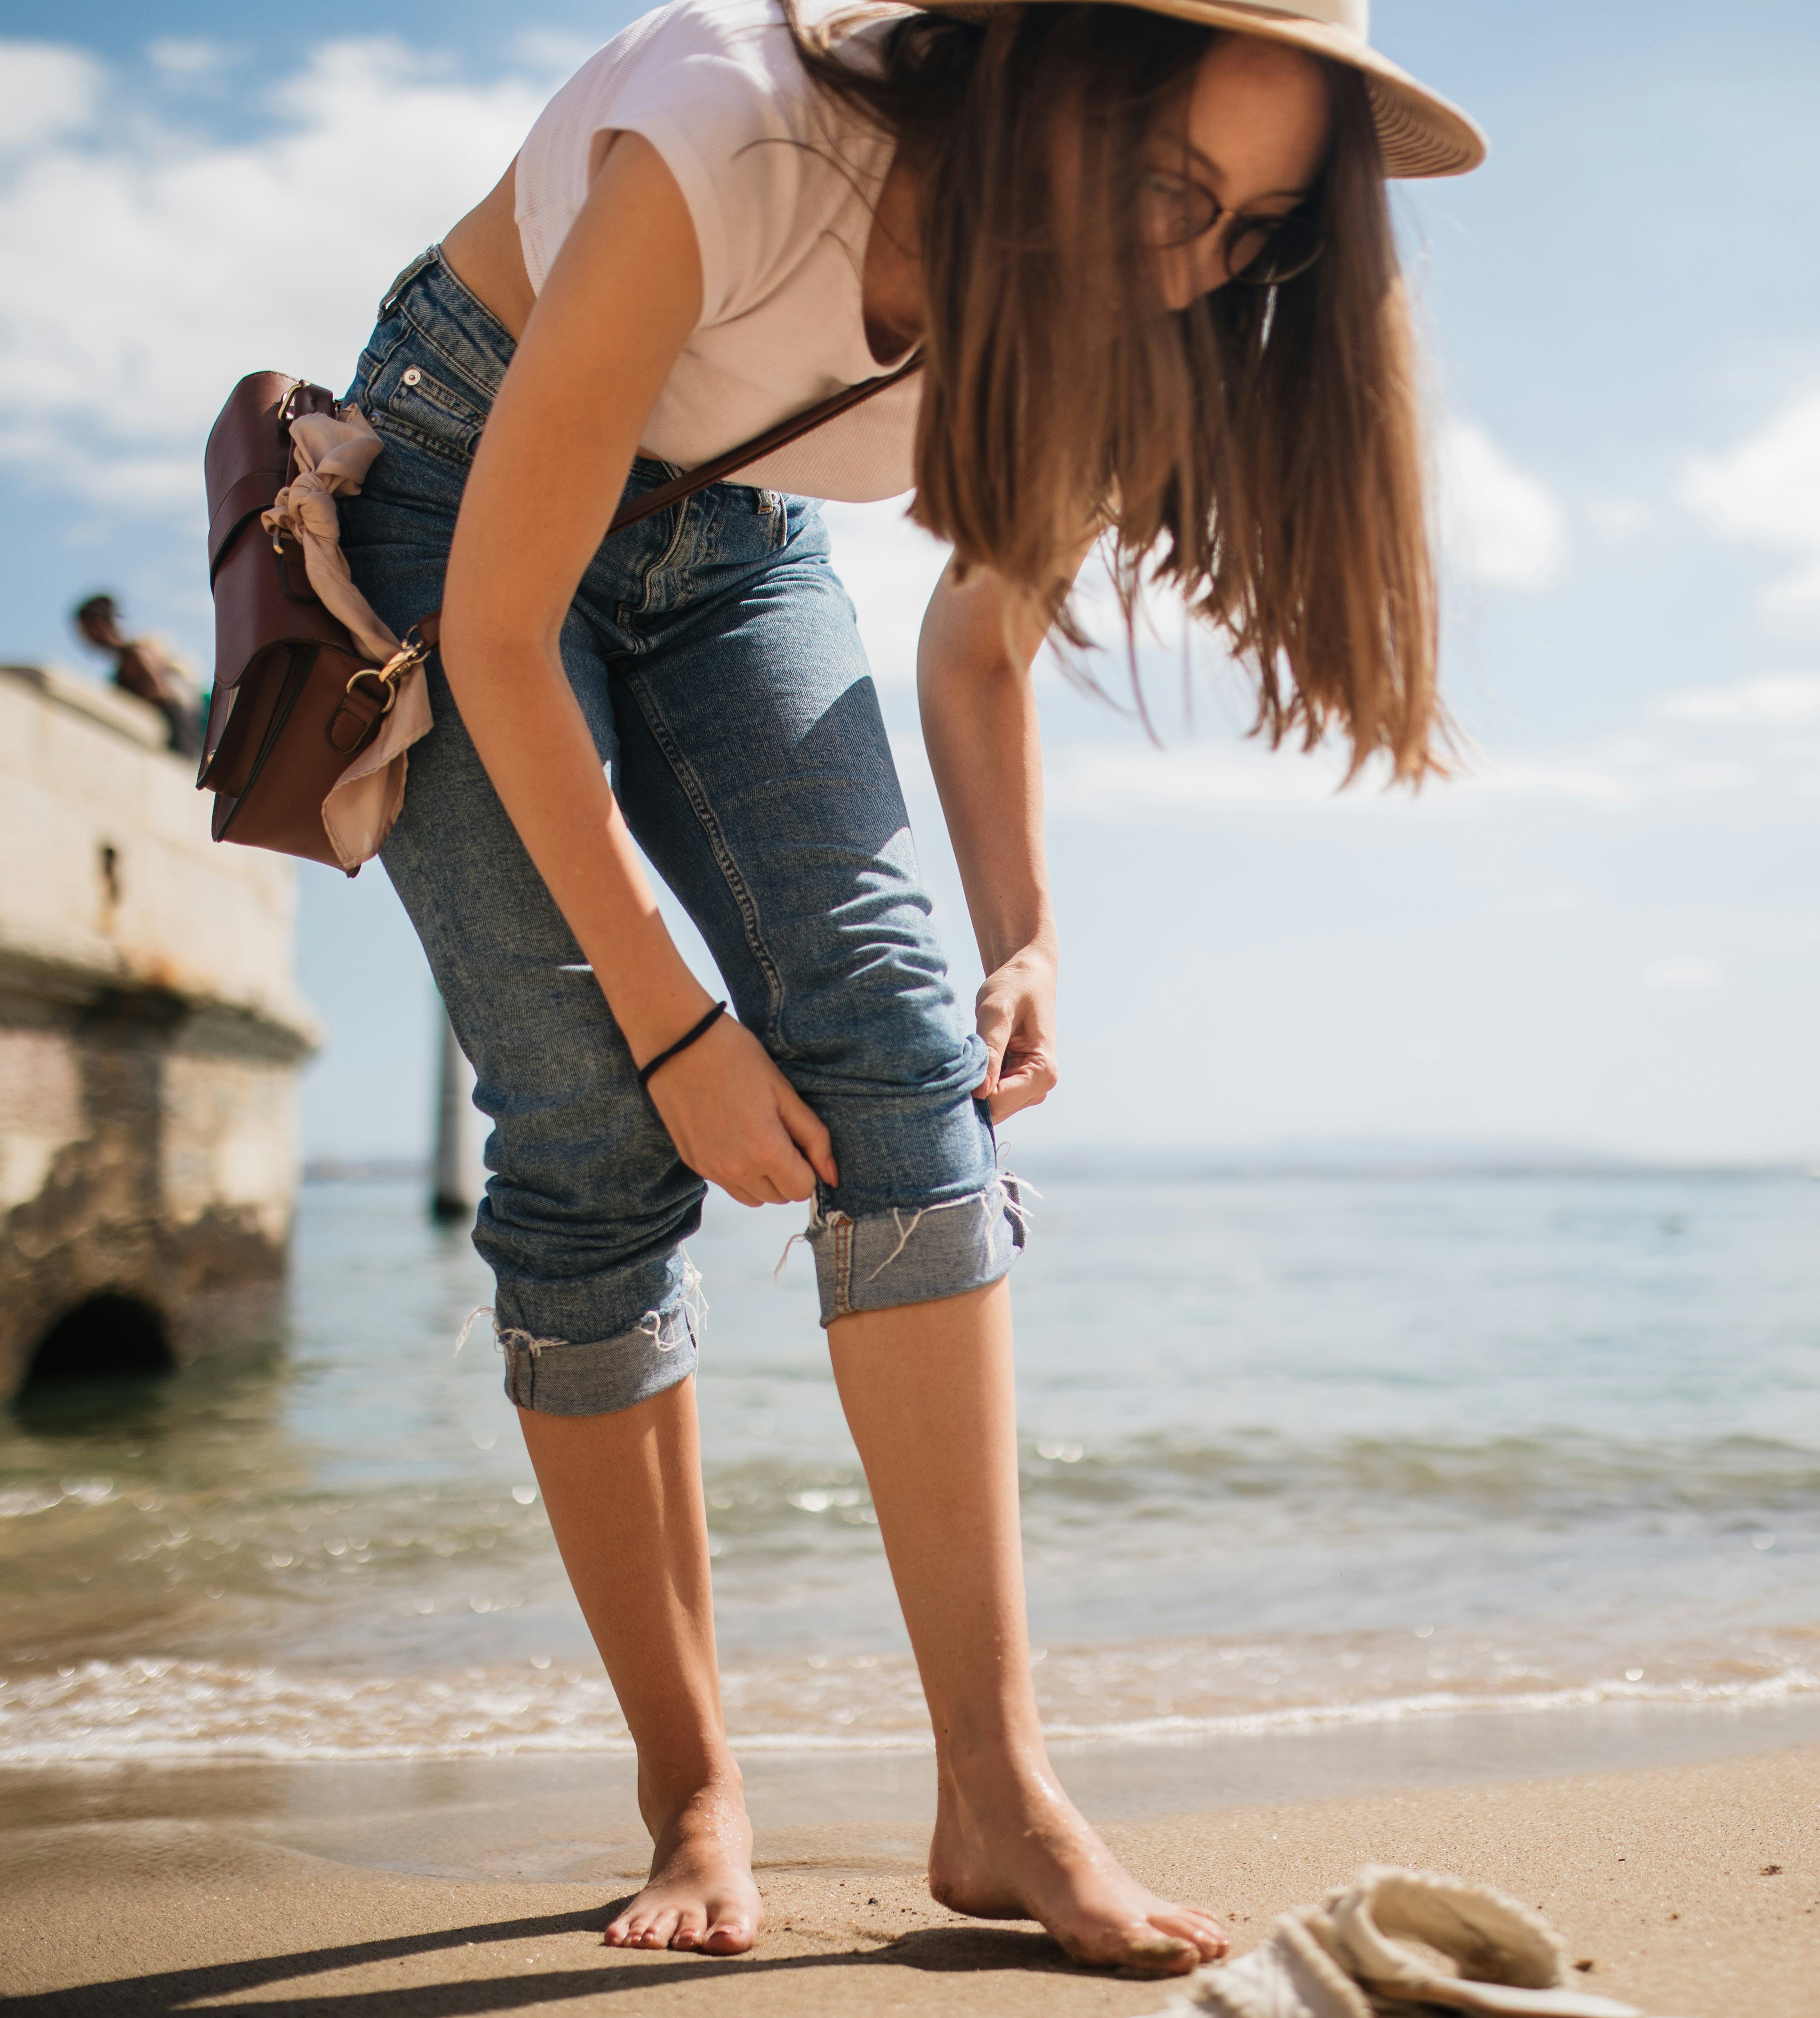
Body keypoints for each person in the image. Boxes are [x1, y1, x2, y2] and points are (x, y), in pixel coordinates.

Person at [333, 0, 1480, 1974]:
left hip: (730, 543)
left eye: (1253, 232)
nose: (1189, 263)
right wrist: (679, 1026)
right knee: (590, 1121)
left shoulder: (1127, 304)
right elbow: (496, 630)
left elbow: (976, 641)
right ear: (1048, 74)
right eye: (1166, 188)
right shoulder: (737, 130)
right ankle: (690, 1779)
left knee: (901, 1049)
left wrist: (1023, 926)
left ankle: (997, 1789)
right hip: (456, 500)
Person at [72, 593, 206, 757]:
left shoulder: (134, 658)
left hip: (176, 738)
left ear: (99, 624)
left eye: (85, 630)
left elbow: (162, 699)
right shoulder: (130, 660)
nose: (86, 639)